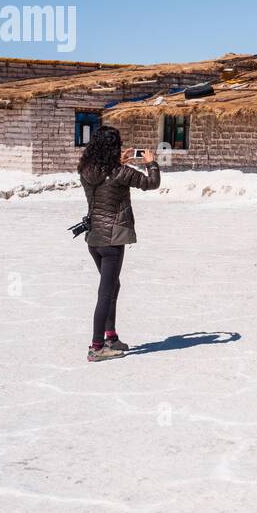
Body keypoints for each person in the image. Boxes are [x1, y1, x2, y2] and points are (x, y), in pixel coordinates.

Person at [77, 125, 161, 362]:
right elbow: (151, 183)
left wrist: (119, 161)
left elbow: (104, 176)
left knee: (112, 287)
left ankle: (111, 337)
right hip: (112, 239)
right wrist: (150, 162)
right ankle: (96, 346)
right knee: (106, 292)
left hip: (94, 237)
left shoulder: (85, 169)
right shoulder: (120, 172)